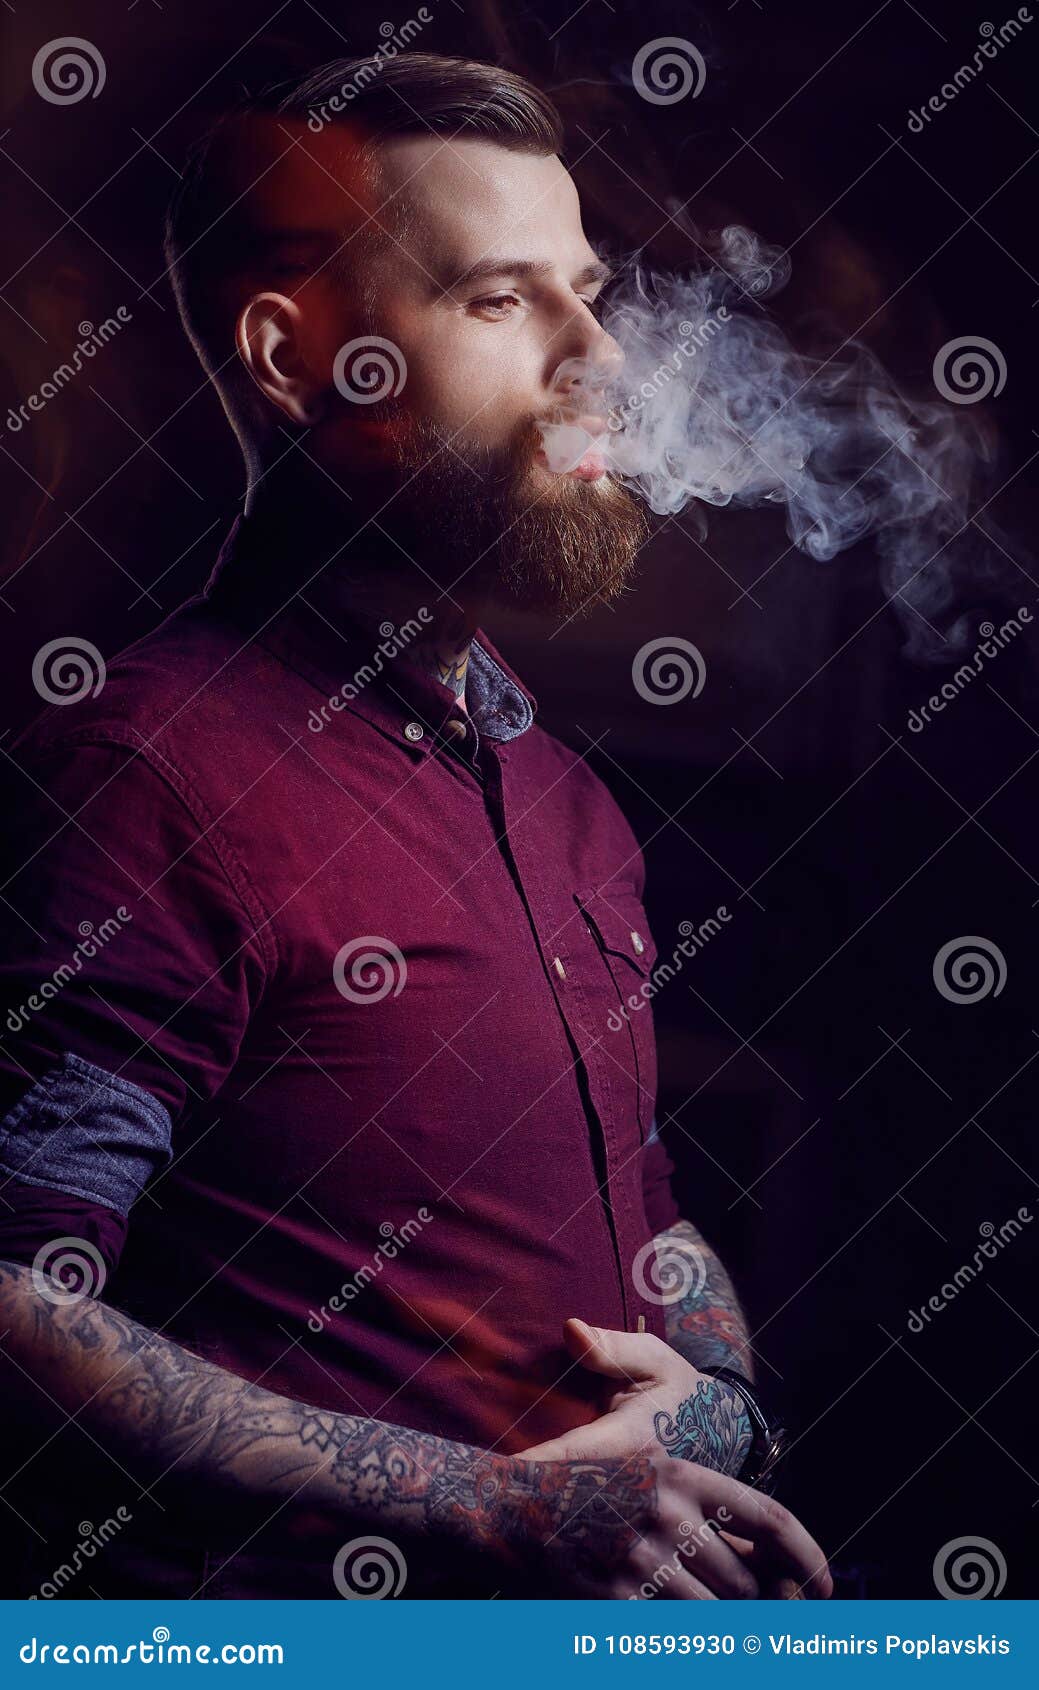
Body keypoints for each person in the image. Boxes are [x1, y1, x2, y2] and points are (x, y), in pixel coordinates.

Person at [0, 52, 831, 1602]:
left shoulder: (567, 797)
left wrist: (711, 1391)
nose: (602, 358)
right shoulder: (148, 762)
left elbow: (646, 1214)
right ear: (296, 354)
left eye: (591, 294)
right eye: (505, 300)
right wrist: (483, 1506)